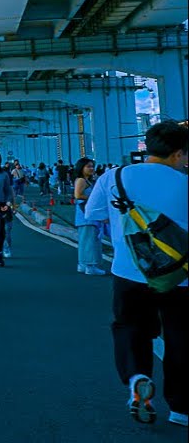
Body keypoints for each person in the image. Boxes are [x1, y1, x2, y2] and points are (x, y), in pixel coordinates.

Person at [85, 121, 187, 428]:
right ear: (178, 153)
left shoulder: (114, 177)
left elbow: (93, 215)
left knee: (130, 327)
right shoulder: (185, 183)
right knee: (181, 338)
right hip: (179, 276)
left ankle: (137, 377)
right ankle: (182, 408)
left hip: (129, 272)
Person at [73, 157, 105, 276]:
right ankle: (90, 266)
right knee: (91, 240)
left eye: (92, 166)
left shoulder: (87, 180)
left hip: (86, 215)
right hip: (87, 215)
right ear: (81, 168)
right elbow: (78, 195)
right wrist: (95, 199)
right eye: (88, 166)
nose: (91, 168)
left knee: (86, 240)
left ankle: (83, 264)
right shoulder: (81, 180)